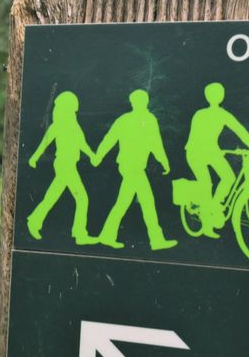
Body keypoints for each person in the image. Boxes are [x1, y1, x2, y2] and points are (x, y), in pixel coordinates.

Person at [92, 89, 177, 251]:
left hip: (131, 166)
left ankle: (107, 235)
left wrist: (98, 156)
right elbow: (111, 139)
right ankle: (156, 240)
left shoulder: (129, 119)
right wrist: (164, 162)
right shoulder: (144, 119)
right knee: (147, 201)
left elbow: (154, 144)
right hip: (132, 167)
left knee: (124, 202)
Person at [183, 82, 249, 236]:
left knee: (229, 177)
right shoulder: (200, 114)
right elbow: (195, 138)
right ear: (209, 97)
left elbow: (240, 130)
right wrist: (212, 151)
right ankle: (207, 226)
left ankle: (215, 205)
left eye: (219, 93)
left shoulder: (223, 114)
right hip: (195, 152)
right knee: (206, 184)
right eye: (215, 94)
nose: (217, 96)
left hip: (211, 151)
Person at [26, 91, 97, 244]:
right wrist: (34, 158)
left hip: (69, 164)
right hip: (64, 165)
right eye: (73, 107)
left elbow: (81, 143)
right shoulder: (57, 125)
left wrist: (92, 155)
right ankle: (80, 235)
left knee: (53, 196)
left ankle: (34, 220)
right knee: (82, 199)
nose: (75, 110)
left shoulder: (74, 124)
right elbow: (44, 143)